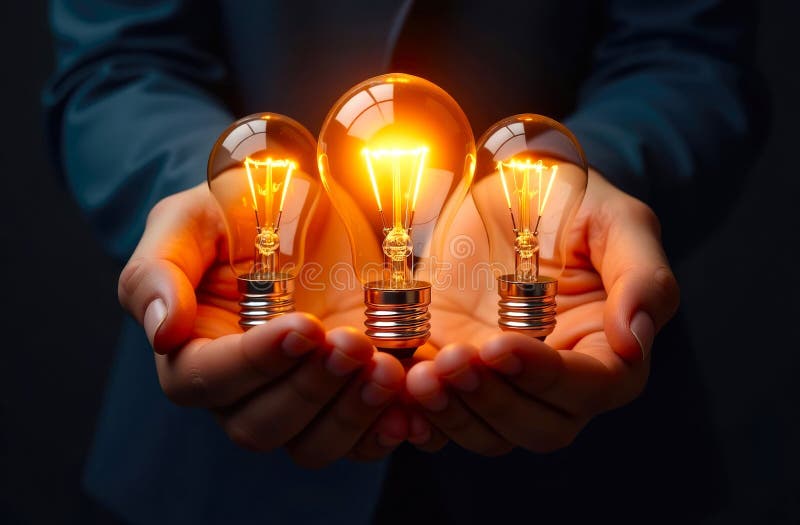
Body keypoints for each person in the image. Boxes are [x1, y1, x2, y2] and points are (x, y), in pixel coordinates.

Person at [43, 1, 762, 523]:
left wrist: (546, 199)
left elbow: (687, 56)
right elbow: (119, 65)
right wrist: (231, 208)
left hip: (592, 472)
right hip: (205, 479)